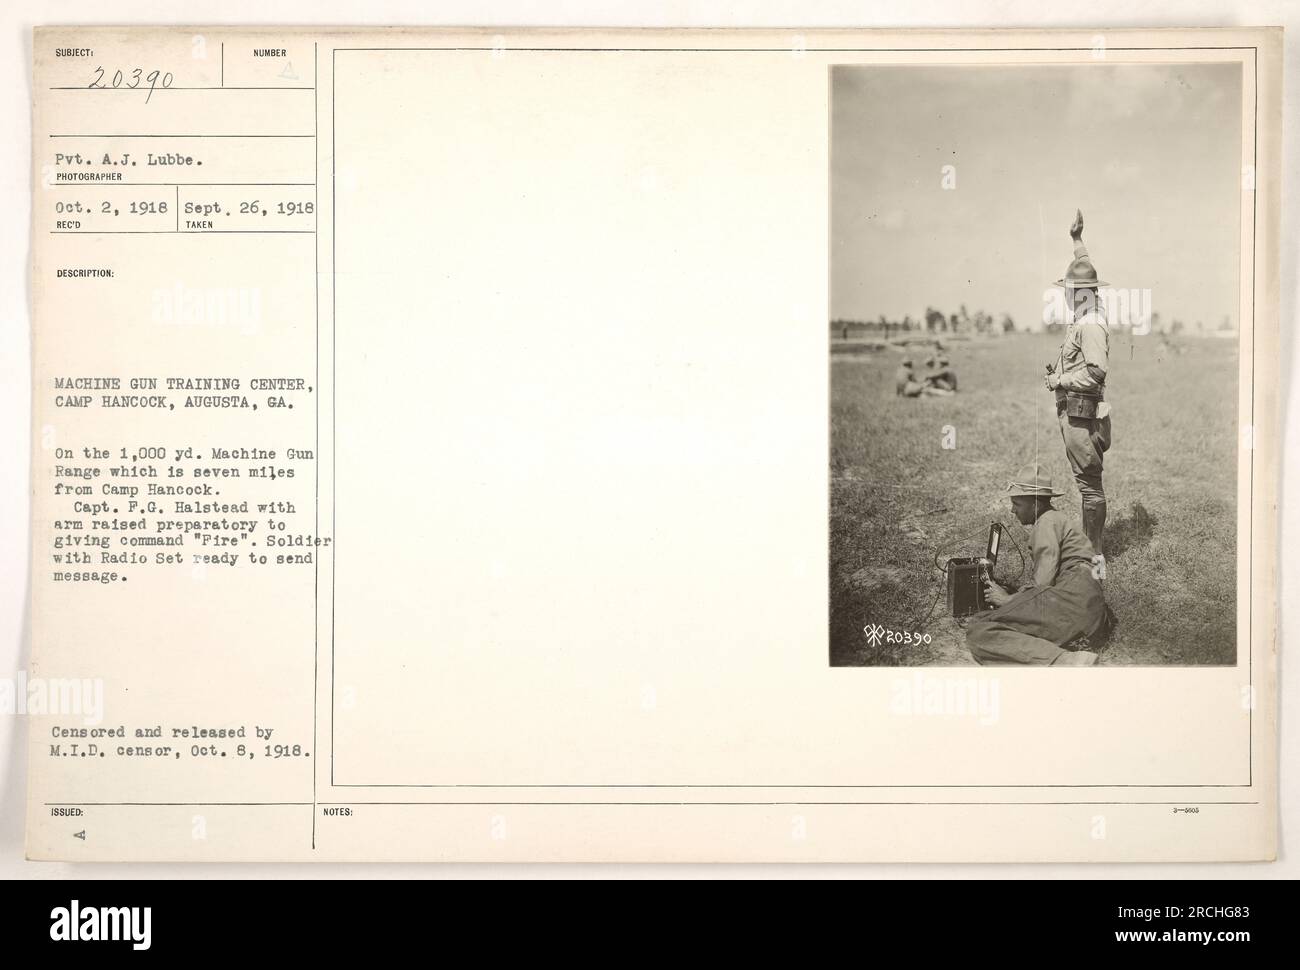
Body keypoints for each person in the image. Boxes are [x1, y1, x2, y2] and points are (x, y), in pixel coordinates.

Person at [965, 463, 1108, 666]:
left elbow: (1043, 582)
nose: (1012, 510)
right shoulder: (1056, 519)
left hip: (1074, 604)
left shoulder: (1046, 523)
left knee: (979, 628)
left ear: (1035, 504)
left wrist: (1008, 600)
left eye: (1017, 503)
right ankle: (1061, 656)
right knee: (1010, 623)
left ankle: (1064, 661)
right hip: (1090, 615)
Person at [1045, 209, 1111, 558]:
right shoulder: (1087, 311)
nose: (1066, 295)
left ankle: (1094, 553)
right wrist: (1077, 241)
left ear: (1081, 292)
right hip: (1076, 412)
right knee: (1085, 483)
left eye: (1071, 289)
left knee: (1089, 486)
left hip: (1083, 417)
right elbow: (1087, 266)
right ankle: (1089, 547)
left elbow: (1096, 372)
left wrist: (1060, 379)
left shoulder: (1090, 325)